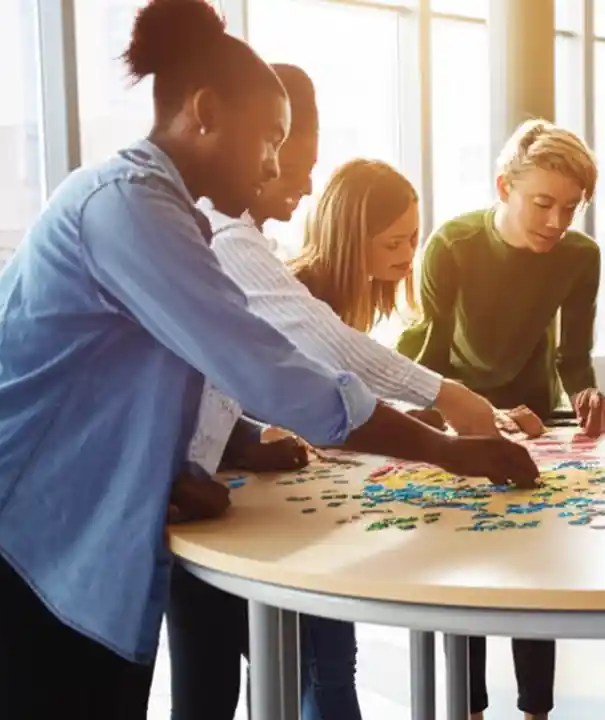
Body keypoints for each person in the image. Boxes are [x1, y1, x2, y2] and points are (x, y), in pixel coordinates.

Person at [0, 2, 536, 718]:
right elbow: (268, 368)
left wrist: (217, 452)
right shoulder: (128, 205)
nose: (275, 165)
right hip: (12, 531)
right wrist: (447, 452)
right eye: (271, 138)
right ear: (204, 114)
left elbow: (150, 373)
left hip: (69, 535)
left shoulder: (168, 211)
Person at [172, 65, 487, 720]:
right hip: (177, 498)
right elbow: (325, 358)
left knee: (257, 676)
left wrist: (250, 442)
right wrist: (448, 406)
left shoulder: (246, 239)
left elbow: (222, 384)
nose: (307, 183)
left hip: (208, 490)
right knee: (248, 680)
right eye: (291, 161)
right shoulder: (228, 241)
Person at [397, 119, 605, 720]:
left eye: (571, 207)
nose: (556, 221)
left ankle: (536, 711)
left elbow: (573, 356)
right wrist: (484, 415)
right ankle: (470, 709)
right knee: (469, 573)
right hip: (458, 418)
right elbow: (434, 360)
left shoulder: (580, 256)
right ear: (503, 187)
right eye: (542, 203)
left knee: (533, 572)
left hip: (536, 419)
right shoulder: (451, 245)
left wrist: (589, 397)